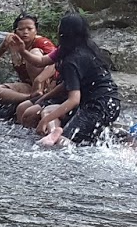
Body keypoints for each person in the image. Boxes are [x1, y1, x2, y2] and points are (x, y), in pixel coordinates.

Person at [16, 13, 122, 147]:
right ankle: (52, 135)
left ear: (63, 32)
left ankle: (57, 139)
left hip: (100, 106)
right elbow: (42, 61)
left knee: (64, 143)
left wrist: (45, 121)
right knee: (46, 110)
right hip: (101, 101)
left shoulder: (73, 60)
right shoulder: (71, 49)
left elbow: (74, 99)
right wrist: (22, 50)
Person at [0, 14, 57, 108]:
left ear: (36, 30)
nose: (25, 32)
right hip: (29, 86)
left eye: (29, 29)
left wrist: (39, 80)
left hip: (49, 85)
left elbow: (55, 62)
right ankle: (30, 98)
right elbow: (6, 42)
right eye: (21, 29)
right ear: (15, 31)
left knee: (33, 53)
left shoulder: (42, 42)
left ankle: (41, 94)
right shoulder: (14, 41)